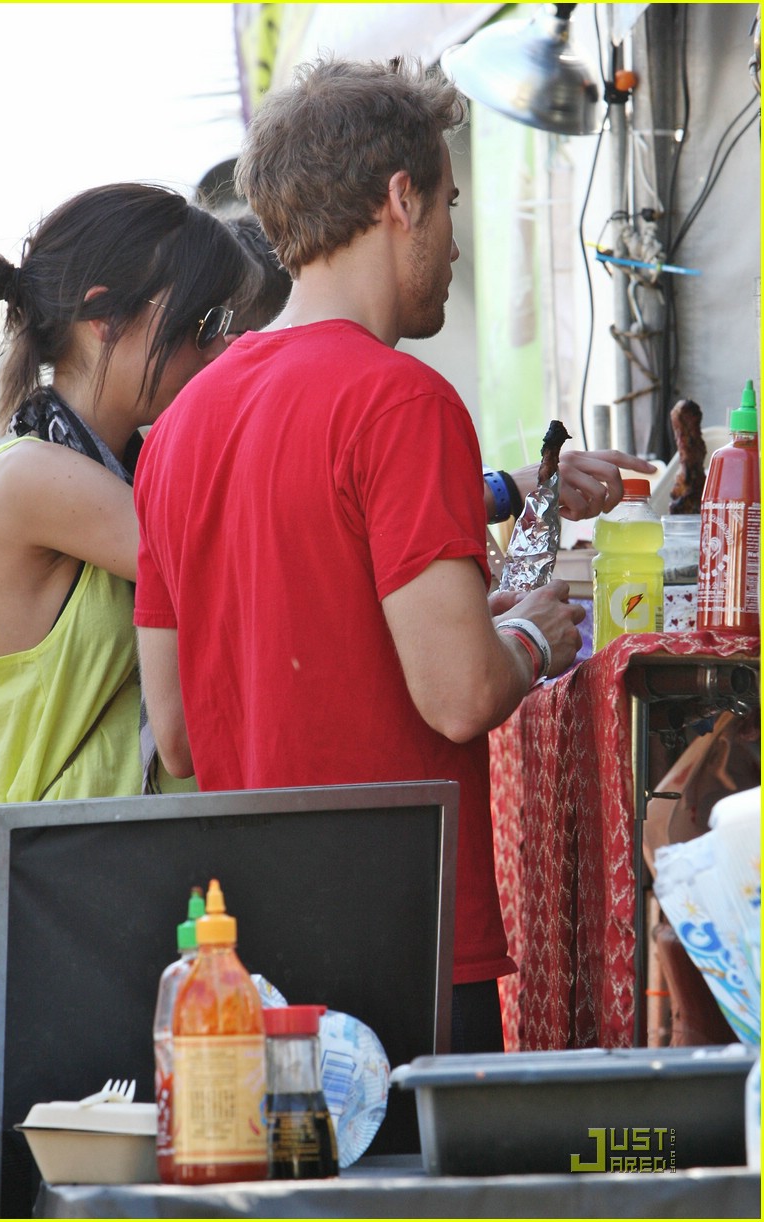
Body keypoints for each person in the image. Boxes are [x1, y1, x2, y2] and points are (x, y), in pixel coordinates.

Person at [133, 58, 655, 1052]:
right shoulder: (400, 400)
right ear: (401, 198)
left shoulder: (182, 423)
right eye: (452, 202)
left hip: (243, 947)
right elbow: (459, 693)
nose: (456, 242)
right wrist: (536, 635)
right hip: (400, 931)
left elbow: (178, 734)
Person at [0, 182, 250, 811]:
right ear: (105, 316)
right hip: (70, 879)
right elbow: (248, 550)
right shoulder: (34, 478)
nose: (222, 347)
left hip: (119, 865)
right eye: (204, 323)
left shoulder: (122, 468)